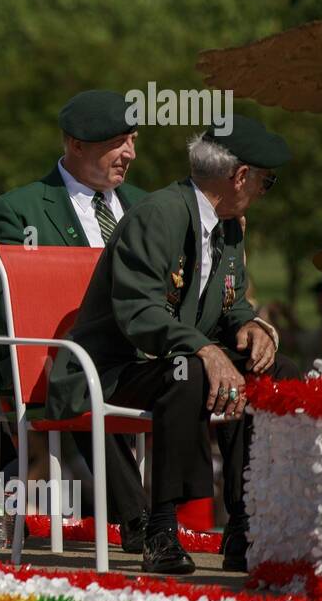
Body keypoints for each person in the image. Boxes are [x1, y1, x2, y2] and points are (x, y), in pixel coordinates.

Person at [46, 117, 291, 574]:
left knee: (272, 372)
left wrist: (254, 326)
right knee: (192, 372)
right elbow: (139, 312)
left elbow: (229, 300)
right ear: (240, 177)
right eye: (266, 181)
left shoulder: (230, 225)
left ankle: (246, 522)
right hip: (113, 369)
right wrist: (205, 349)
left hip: (169, 360)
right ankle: (160, 531)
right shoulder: (159, 214)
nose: (264, 191)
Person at [0, 89, 151, 550]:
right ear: (76, 145)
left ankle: (235, 521)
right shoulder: (21, 209)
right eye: (118, 142)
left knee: (206, 373)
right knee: (86, 376)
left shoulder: (147, 207)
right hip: (57, 358)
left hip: (144, 353)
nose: (130, 154)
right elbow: (10, 306)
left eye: (133, 140)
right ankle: (142, 521)